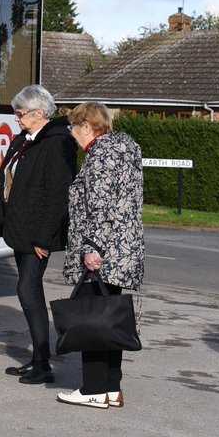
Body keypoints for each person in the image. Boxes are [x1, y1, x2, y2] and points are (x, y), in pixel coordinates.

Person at [0, 84, 76, 385]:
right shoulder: (24, 140)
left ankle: (43, 361)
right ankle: (37, 360)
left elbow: (59, 196)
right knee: (27, 291)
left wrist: (44, 239)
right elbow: (10, 184)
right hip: (20, 229)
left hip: (37, 235)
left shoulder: (58, 143)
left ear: (39, 113)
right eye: (16, 113)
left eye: (20, 113)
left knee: (27, 289)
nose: (16, 118)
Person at [57, 102, 145, 409]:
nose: (71, 134)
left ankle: (93, 388)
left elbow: (99, 206)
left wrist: (92, 248)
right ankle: (111, 389)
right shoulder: (124, 150)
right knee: (111, 320)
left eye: (72, 127)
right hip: (121, 251)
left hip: (103, 250)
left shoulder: (101, 156)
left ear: (86, 126)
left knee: (91, 319)